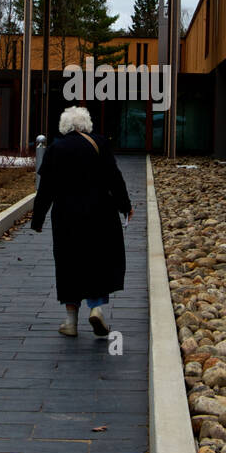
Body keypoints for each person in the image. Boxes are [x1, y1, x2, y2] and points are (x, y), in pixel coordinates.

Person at [31, 106, 132, 337]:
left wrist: (38, 220)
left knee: (69, 262)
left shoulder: (56, 148)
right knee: (98, 259)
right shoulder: (100, 144)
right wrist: (125, 206)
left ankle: (70, 321)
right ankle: (96, 308)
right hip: (100, 213)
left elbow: (45, 189)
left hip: (66, 215)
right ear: (86, 125)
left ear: (64, 126)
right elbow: (114, 178)